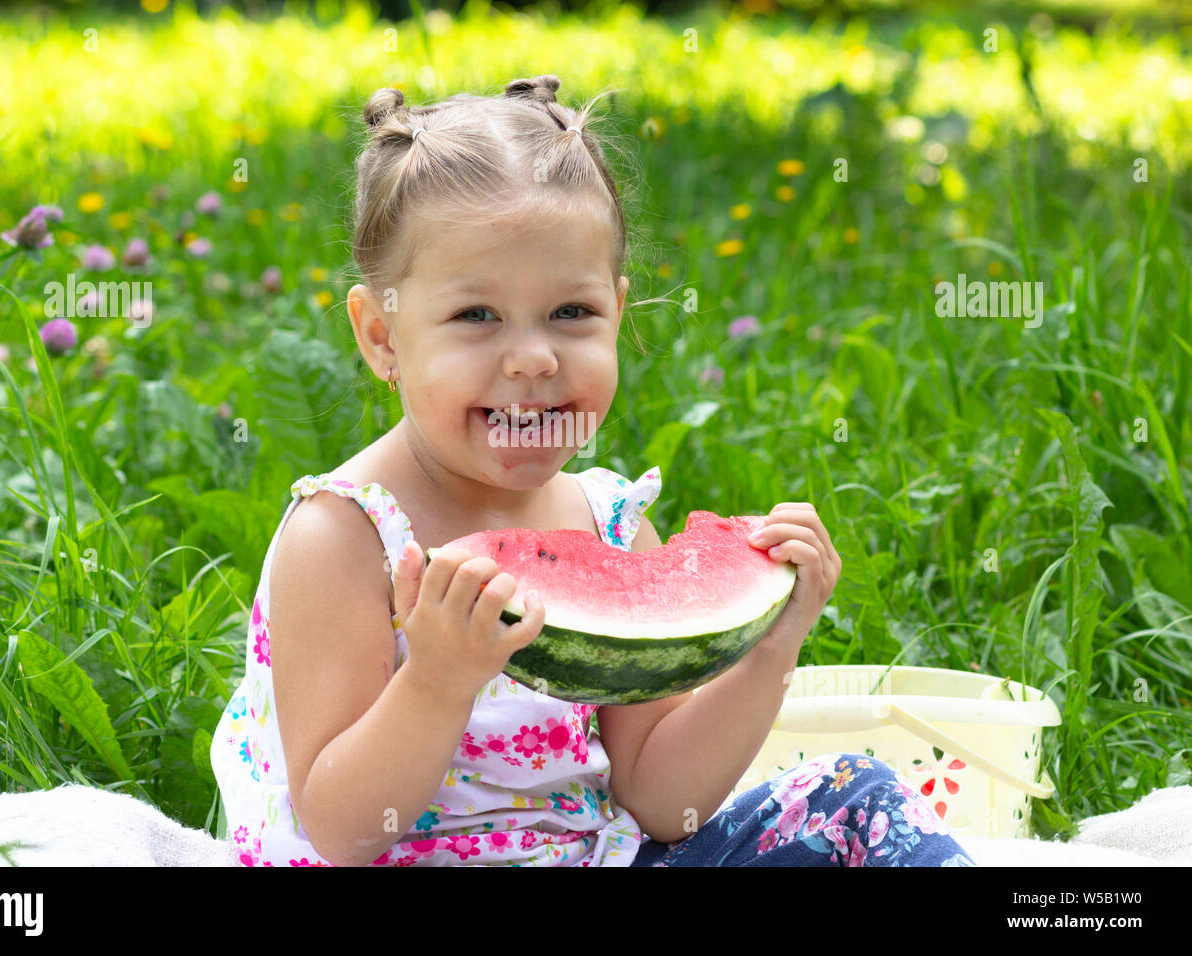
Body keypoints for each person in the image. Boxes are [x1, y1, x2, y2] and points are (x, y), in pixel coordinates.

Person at [209, 74, 977, 867]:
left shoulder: (612, 521)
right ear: (382, 338)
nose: (535, 357)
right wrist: (437, 679)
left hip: (597, 857)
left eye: (571, 314)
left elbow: (660, 801)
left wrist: (769, 650)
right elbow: (343, 831)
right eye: (477, 316)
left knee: (853, 796)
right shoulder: (344, 537)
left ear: (616, 308)